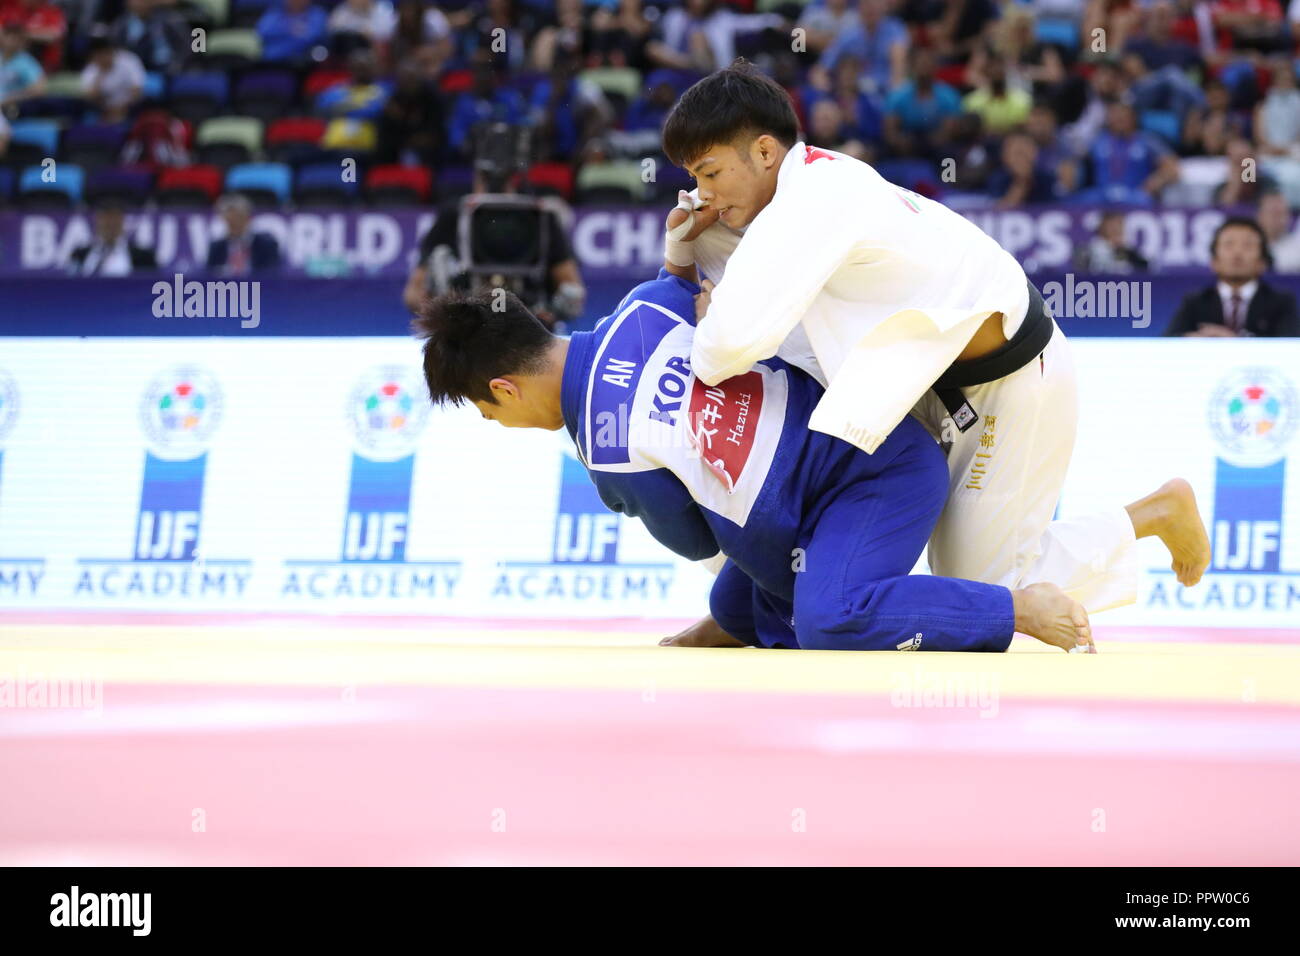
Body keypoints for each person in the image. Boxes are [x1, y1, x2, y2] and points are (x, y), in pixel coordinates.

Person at [657, 59, 1210, 620]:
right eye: (695, 178)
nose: (703, 193)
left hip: (1007, 385)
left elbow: (724, 348)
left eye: (710, 172)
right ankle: (757, 611)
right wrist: (685, 250)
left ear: (766, 152)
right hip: (920, 394)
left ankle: (1152, 514)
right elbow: (718, 293)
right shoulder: (777, 204)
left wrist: (712, 317)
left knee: (985, 584)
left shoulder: (816, 197)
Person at [414, 269, 1101, 653]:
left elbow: (693, 539)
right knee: (733, 598)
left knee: (829, 618)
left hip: (873, 484)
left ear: (504, 388)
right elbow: (714, 291)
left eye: (489, 412)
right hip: (873, 437)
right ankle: (748, 621)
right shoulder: (646, 303)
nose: (500, 424)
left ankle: (1018, 611)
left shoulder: (609, 455)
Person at [1163, 217, 1300, 336]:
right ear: (1214, 262)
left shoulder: (1281, 302)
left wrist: (1233, 341)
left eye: (1248, 246)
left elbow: (1288, 347)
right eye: (1229, 245)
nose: (1237, 253)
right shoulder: (1195, 302)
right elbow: (1168, 344)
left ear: (1262, 263)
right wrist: (1192, 339)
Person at [66, 199, 156, 276]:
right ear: (97, 221)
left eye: (115, 218)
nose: (111, 223)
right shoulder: (80, 254)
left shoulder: (143, 257)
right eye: (106, 218)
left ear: (122, 221)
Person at [206, 193, 282, 275]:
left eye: (237, 218)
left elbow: (272, 274)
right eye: (229, 221)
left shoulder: (266, 245)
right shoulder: (217, 248)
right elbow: (209, 274)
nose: (234, 224)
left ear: (247, 217)